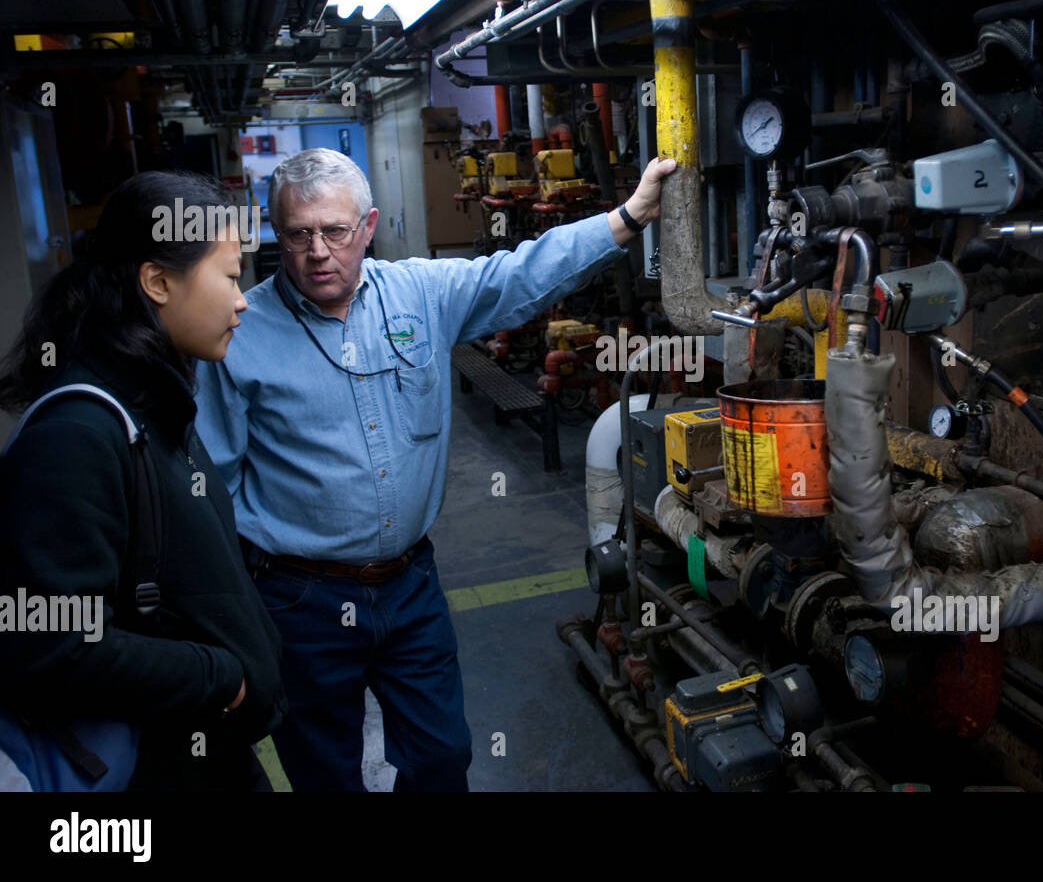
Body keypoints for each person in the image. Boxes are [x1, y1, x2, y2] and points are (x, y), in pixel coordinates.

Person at [193, 147, 675, 791]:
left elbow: (522, 273)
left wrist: (629, 216)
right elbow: (212, 490)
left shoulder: (419, 294)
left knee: (442, 758)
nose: (317, 252)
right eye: (297, 234)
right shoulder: (238, 335)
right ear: (275, 234)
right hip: (298, 600)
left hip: (410, 586)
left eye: (335, 232)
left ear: (367, 227)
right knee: (323, 773)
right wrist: (232, 622)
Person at [0, 170, 287, 791]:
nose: (243, 298)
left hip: (205, 752)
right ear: (158, 282)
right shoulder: (78, 435)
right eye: (231, 275)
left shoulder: (155, 404)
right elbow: (51, 642)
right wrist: (219, 676)